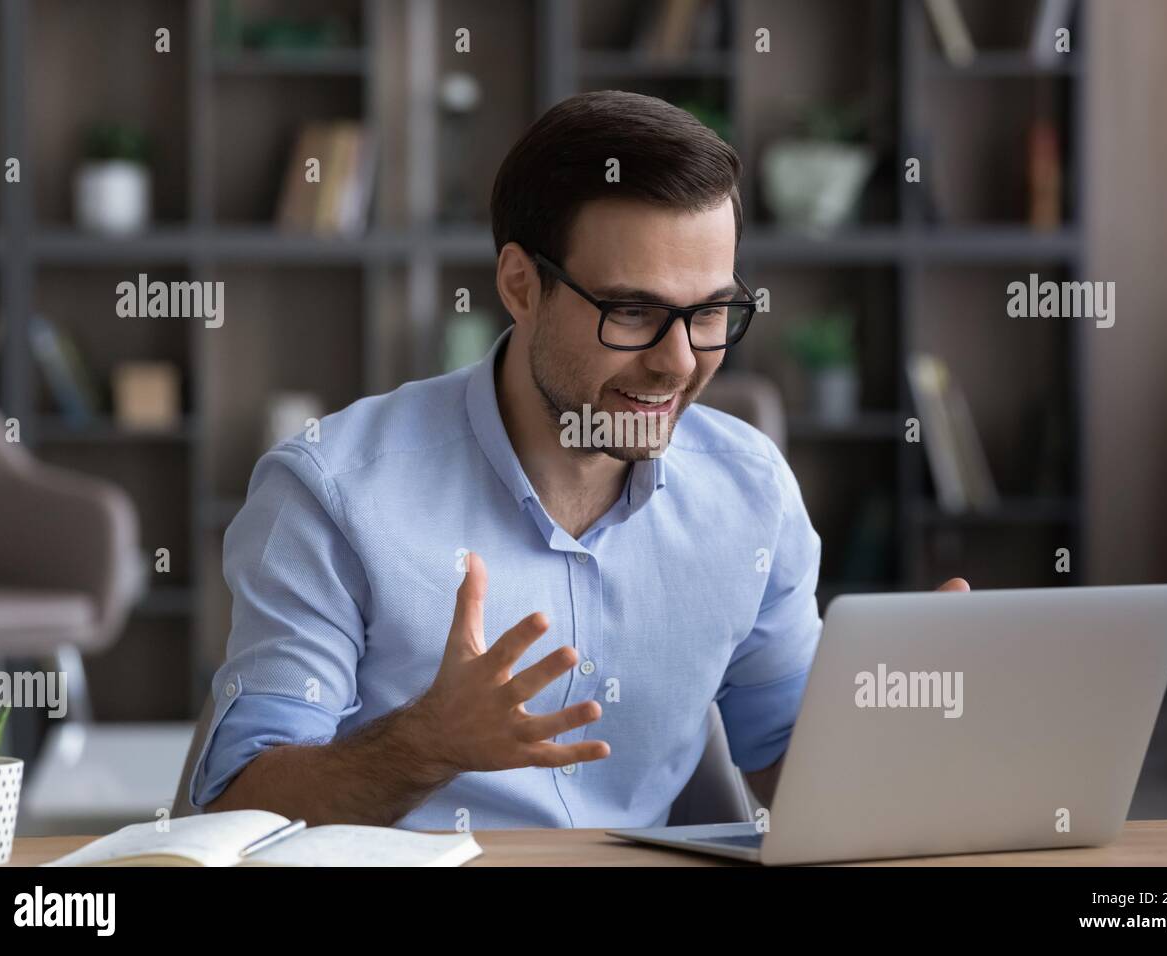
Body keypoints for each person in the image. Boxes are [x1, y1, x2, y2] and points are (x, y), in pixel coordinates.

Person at [193, 90, 967, 828]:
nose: (677, 363)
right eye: (633, 312)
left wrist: (893, 719)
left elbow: (787, 763)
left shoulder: (751, 491)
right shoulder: (333, 494)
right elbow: (234, 809)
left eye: (709, 314)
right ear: (520, 285)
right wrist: (426, 744)